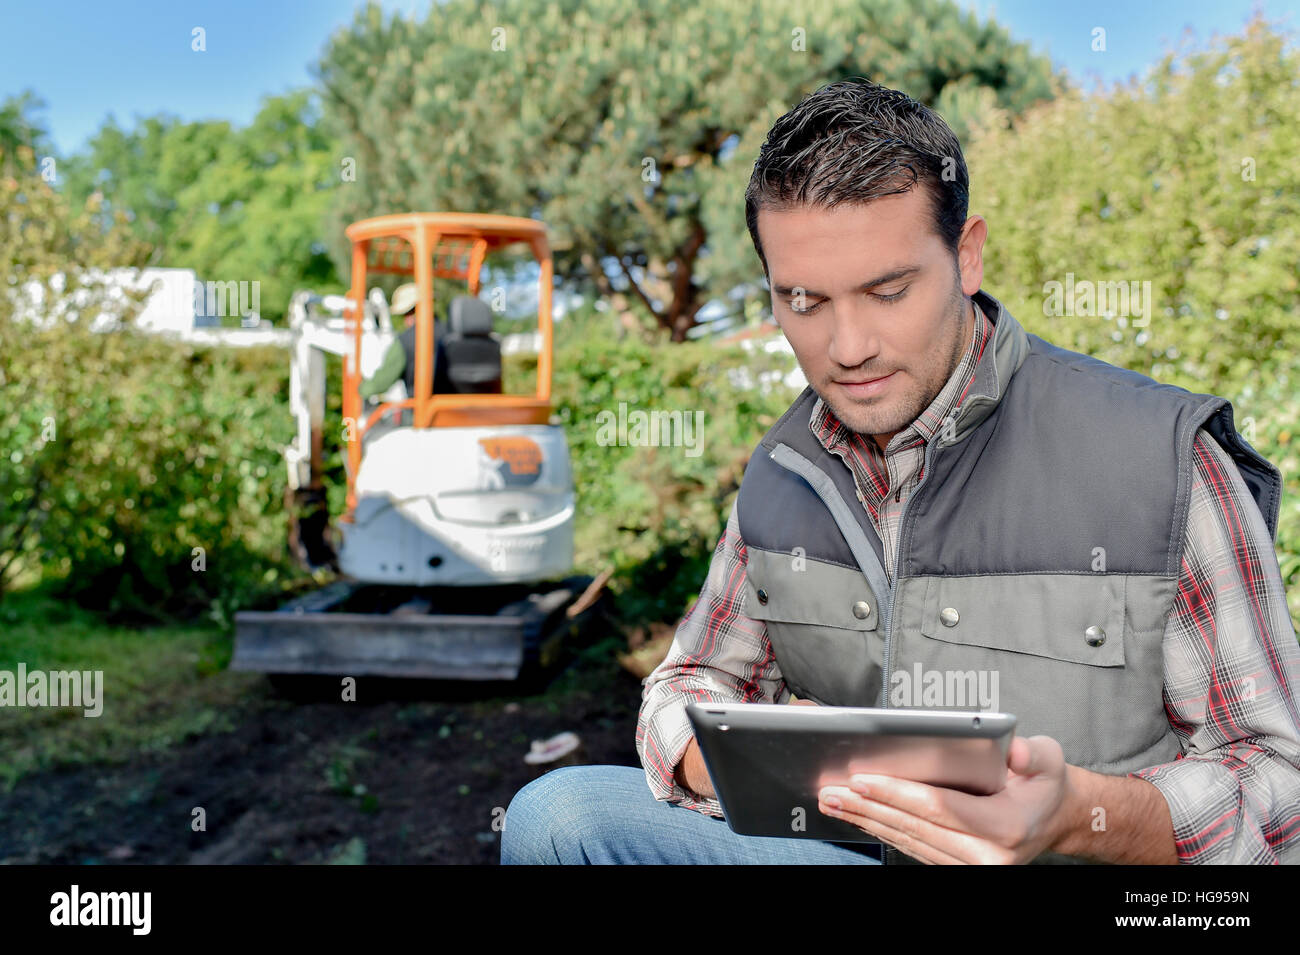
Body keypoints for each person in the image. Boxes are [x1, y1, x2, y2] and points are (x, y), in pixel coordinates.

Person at [501, 78, 1300, 865]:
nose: (847, 347)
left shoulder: (1158, 457)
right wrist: (776, 763)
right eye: (804, 300)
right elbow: (691, 678)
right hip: (856, 853)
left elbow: (1281, 784)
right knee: (557, 815)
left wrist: (1076, 815)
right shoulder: (784, 470)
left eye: (888, 291)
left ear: (967, 254)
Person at [359, 282, 453, 423]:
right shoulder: (453, 333)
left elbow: (381, 383)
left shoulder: (406, 341)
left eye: (405, 314)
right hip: (458, 414)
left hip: (424, 418)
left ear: (410, 312)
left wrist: (361, 389)